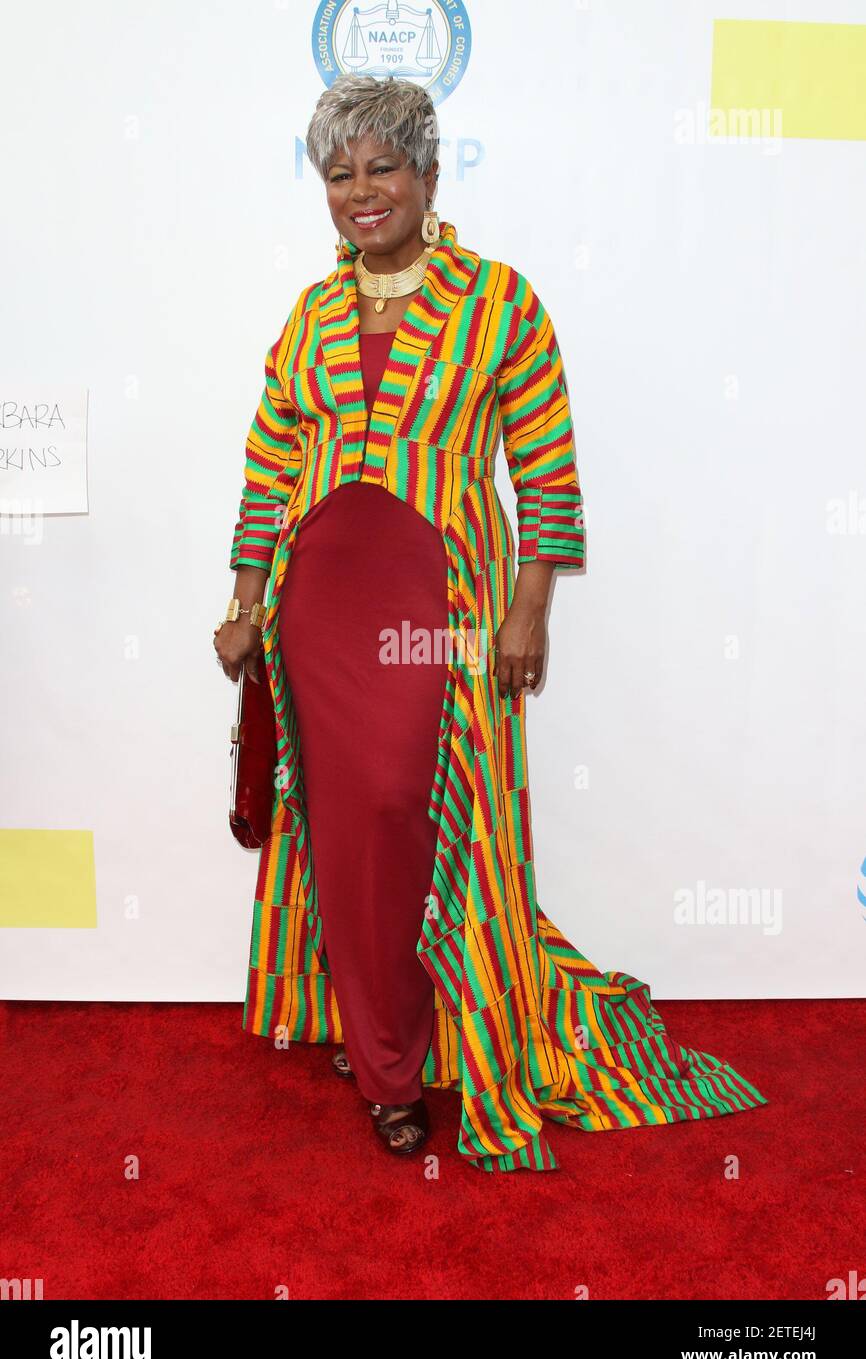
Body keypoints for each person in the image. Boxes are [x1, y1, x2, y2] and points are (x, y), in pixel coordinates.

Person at [215, 73, 768, 1171]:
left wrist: (528, 613)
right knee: (339, 822)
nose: (361, 192)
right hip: (317, 603)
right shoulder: (312, 312)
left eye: (382, 167)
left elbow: (546, 474)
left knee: (409, 810)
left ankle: (424, 1025)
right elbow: (270, 460)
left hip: (443, 604)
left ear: (426, 173)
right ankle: (383, 1060)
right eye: (339, 173)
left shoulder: (496, 300)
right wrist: (242, 601)